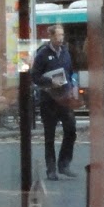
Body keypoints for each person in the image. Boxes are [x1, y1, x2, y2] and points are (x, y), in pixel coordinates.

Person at [30, 24, 78, 180]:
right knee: (49, 135)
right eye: (57, 35)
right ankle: (51, 169)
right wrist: (50, 82)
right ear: (50, 36)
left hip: (64, 98)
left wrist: (72, 87)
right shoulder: (42, 54)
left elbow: (70, 72)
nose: (60, 38)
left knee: (71, 131)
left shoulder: (65, 52)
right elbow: (35, 76)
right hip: (49, 100)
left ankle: (64, 164)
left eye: (62, 35)